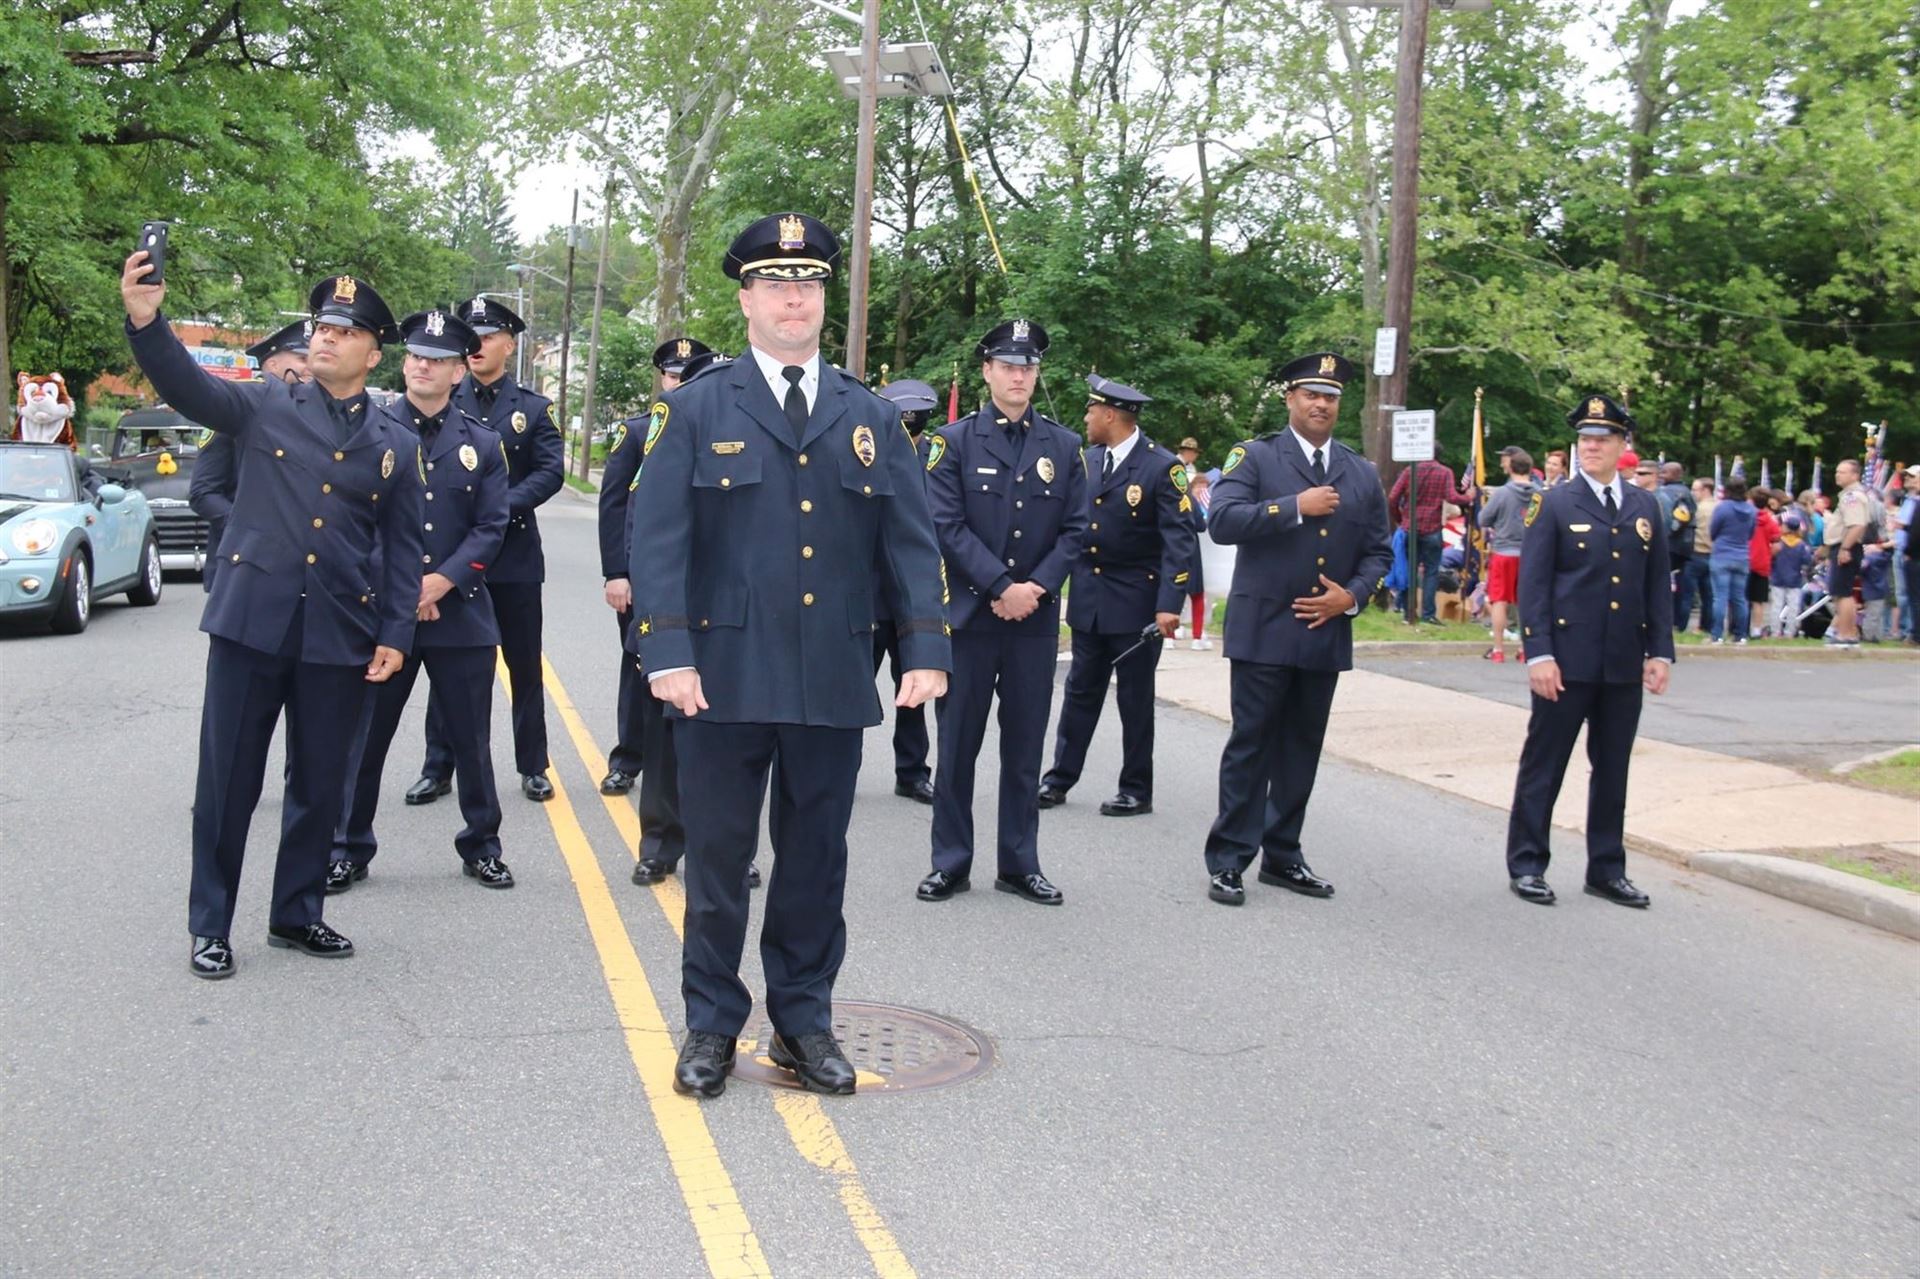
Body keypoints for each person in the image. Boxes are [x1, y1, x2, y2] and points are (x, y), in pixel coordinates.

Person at [629, 212, 949, 1098]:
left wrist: (924, 644)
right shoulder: (695, 408)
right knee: (721, 864)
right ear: (746, 299)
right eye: (776, 282)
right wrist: (667, 652)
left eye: (807, 283)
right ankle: (710, 1025)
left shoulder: (870, 415)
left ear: (823, 302)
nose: (794, 296)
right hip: (719, 680)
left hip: (830, 677)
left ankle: (803, 1023)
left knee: (815, 864)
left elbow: (909, 542)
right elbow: (657, 542)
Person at [121, 257, 422, 979]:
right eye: (322, 324)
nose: (327, 337)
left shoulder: (394, 444)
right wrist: (146, 319)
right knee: (228, 781)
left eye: (346, 330)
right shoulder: (263, 405)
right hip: (250, 623)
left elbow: (404, 548)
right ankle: (211, 923)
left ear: (372, 352)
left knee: (320, 784)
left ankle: (297, 912)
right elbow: (186, 384)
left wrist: (395, 634)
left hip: (338, 633)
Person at [330, 308, 513, 892]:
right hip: (387, 614)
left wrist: (444, 581)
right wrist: (405, 587)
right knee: (364, 739)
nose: (422, 368)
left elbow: (491, 525)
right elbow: (353, 521)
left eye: (436, 361)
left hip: (460, 612)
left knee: (471, 740)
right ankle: (347, 846)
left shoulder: (481, 444)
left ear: (459, 372)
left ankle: (481, 844)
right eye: (414, 357)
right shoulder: (370, 430)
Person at [1200, 353, 1391, 906]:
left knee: (1301, 749)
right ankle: (1230, 859)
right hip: (1263, 628)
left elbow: (1379, 551)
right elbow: (1223, 520)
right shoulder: (1258, 457)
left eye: (1330, 396)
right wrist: (1293, 507)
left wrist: (1352, 596)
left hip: (1324, 632)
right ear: (1290, 399)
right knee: (1251, 745)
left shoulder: (1361, 471)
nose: (1321, 404)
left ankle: (1283, 855)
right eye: (1311, 394)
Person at [916, 318, 1086, 908]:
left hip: (1032, 624)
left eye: (1028, 367)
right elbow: (943, 526)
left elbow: (1077, 530)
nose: (1019, 376)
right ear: (987, 371)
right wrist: (998, 584)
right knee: (957, 747)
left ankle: (1019, 864)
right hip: (969, 620)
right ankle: (951, 863)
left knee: (1024, 749)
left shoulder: (1063, 447)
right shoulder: (953, 442)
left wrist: (1033, 588)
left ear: (1037, 375)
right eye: (1008, 366)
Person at [1506, 394, 1673, 909]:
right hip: (1566, 659)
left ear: (1624, 445)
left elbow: (1654, 585)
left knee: (1613, 767)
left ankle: (1606, 868)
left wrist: (1660, 651)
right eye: (1585, 438)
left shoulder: (1645, 505)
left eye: (1602, 438)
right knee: (1545, 763)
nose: (1592, 446)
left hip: (1622, 659)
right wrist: (1539, 654)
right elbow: (1532, 585)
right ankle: (1529, 863)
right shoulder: (1554, 501)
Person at [408, 297, 564, 805]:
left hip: (513, 556)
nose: (478, 347)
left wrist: (499, 504)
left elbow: (549, 472)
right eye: (470, 339)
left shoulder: (534, 408)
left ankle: (533, 764)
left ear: (509, 344)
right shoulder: (444, 401)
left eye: (489, 336)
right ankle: (438, 765)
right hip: (454, 560)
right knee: (445, 662)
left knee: (523, 665)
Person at [618, 350, 761, 891]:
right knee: (665, 745)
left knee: (737, 748)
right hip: (676, 617)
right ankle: (659, 845)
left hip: (735, 620)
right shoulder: (666, 432)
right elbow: (643, 529)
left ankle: (731, 850)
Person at [1036, 373, 1196, 817]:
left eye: (1091, 411)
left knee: (1134, 698)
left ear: (1110, 415)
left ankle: (1136, 788)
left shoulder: (1161, 467)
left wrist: (1170, 604)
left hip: (1137, 603)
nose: (1086, 418)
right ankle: (1058, 779)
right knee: (1079, 692)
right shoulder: (1087, 460)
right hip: (1089, 598)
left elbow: (1179, 541)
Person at [598, 336, 714, 795]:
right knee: (640, 667)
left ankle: (690, 762)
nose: (677, 381)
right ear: (661, 378)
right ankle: (629, 757)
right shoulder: (640, 431)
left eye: (686, 375)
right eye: (671, 374)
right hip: (641, 578)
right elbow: (613, 507)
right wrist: (616, 573)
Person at [192, 321, 315, 592]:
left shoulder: (312, 413)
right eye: (301, 358)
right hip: (241, 566)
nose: (310, 368)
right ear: (271, 364)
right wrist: (251, 528)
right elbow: (203, 493)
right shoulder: (239, 411)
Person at [874, 377, 941, 805]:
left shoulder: (937, 457)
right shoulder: (866, 447)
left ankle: (912, 772)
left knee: (913, 688)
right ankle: (843, 767)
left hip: (914, 596)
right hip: (870, 591)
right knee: (851, 686)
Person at [1387, 445, 1475, 623]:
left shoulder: (1409, 471)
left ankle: (1408, 612)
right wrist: (1468, 497)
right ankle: (1429, 614)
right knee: (1431, 572)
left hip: (1409, 527)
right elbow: (1452, 497)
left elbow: (1392, 497)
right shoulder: (1444, 472)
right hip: (1432, 529)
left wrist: (1400, 517)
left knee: (1408, 570)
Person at [1475, 446, 1538, 663]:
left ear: (1510, 467)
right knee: (1525, 602)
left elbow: (1483, 519)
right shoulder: (1541, 495)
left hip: (1503, 551)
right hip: (1530, 553)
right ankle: (1524, 648)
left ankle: (1499, 649)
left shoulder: (1502, 493)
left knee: (1499, 600)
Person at [1823, 459, 1872, 646]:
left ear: (1855, 475)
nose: (1838, 475)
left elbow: (1857, 524)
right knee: (1843, 592)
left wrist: (1845, 548)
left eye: (1842, 472)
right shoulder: (1848, 495)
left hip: (1847, 546)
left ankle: (1845, 635)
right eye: (1837, 471)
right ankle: (1848, 633)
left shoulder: (1853, 496)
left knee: (1842, 593)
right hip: (1844, 545)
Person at [1706, 477, 1756, 644]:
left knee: (1720, 597)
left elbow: (1713, 531)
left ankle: (1717, 634)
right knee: (1740, 599)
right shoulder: (1751, 510)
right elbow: (1751, 533)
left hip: (1721, 554)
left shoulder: (1723, 508)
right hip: (1742, 556)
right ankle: (1741, 635)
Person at [1656, 462, 1697, 629]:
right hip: (1681, 546)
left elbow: (1682, 518)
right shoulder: (1685, 492)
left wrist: (1666, 534)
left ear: (1676, 474)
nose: (1661, 475)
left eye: (1665, 472)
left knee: (1671, 586)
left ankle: (1675, 622)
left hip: (1674, 546)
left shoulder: (1678, 493)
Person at [1769, 513, 1813, 638]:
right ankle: (1790, 632)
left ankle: (1775, 631)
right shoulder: (1801, 545)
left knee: (1776, 606)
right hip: (1795, 579)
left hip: (1777, 577)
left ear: (1786, 527)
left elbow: (1771, 559)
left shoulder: (1778, 544)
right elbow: (1807, 561)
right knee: (1793, 607)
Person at [1745, 487, 1781, 637]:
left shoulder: (1746, 517)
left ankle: (1740, 628)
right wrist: (1768, 555)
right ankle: (1756, 630)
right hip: (1762, 564)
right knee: (1758, 601)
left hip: (1745, 561)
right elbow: (1778, 544)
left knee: (1741, 599)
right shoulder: (1770, 520)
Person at [1899, 465, 1920, 645]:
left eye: (1913, 476)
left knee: (1914, 596)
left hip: (1913, 554)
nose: (1908, 479)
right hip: (1905, 550)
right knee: (1906, 594)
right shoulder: (1907, 500)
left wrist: (1908, 552)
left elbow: (1916, 532)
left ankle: (1914, 633)